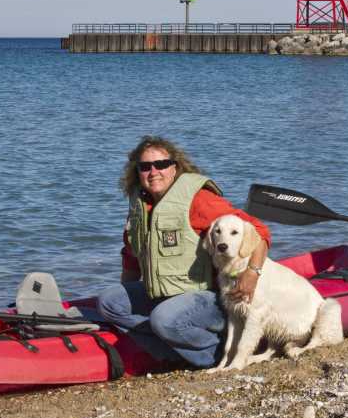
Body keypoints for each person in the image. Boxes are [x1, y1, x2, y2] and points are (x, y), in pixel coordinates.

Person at [97, 136, 271, 368]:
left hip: (211, 297)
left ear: (175, 167)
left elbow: (259, 232)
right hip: (163, 293)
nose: (153, 172)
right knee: (109, 302)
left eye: (161, 165)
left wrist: (252, 273)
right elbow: (131, 259)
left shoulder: (199, 201)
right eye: (145, 167)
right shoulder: (141, 207)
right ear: (136, 171)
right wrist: (126, 296)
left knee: (164, 318)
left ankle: (216, 354)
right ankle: (169, 348)